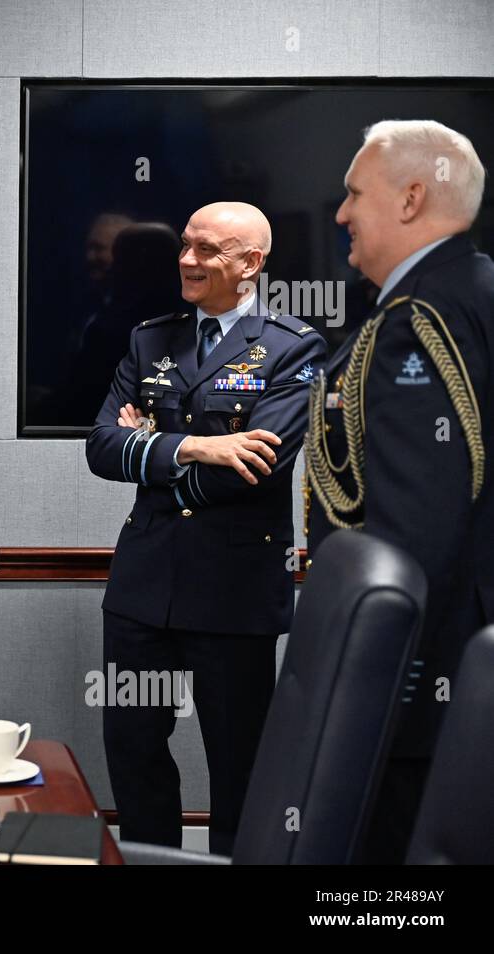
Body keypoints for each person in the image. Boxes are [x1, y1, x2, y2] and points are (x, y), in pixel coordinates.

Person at [86, 201, 327, 854]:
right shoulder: (149, 338)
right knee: (134, 754)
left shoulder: (294, 346)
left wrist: (155, 448)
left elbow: (256, 464)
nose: (188, 261)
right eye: (185, 245)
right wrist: (195, 447)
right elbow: (102, 448)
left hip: (235, 594)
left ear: (252, 263)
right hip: (144, 590)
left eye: (209, 250)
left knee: (239, 765)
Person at [306, 119, 491, 862]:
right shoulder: (477, 289)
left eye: (354, 193)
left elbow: (413, 539)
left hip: (420, 682)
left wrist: (362, 683)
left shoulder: (420, 322)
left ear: (412, 198)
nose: (342, 212)